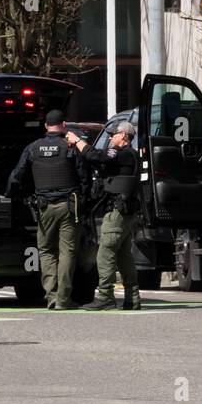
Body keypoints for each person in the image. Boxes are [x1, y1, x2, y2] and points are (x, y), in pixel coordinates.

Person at [6, 109, 83, 310]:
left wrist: (10, 196)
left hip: (44, 206)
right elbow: (84, 176)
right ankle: (65, 299)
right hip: (69, 205)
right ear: (63, 125)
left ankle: (53, 296)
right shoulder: (70, 146)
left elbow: (16, 176)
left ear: (46, 126)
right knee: (67, 251)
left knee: (47, 250)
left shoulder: (33, 148)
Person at [74, 121, 142, 311]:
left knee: (105, 253)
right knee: (123, 255)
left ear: (124, 136)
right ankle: (132, 298)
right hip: (126, 211)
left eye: (114, 134)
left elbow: (96, 156)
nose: (111, 137)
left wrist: (78, 141)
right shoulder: (132, 155)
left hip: (117, 212)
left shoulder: (123, 154)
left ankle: (105, 296)